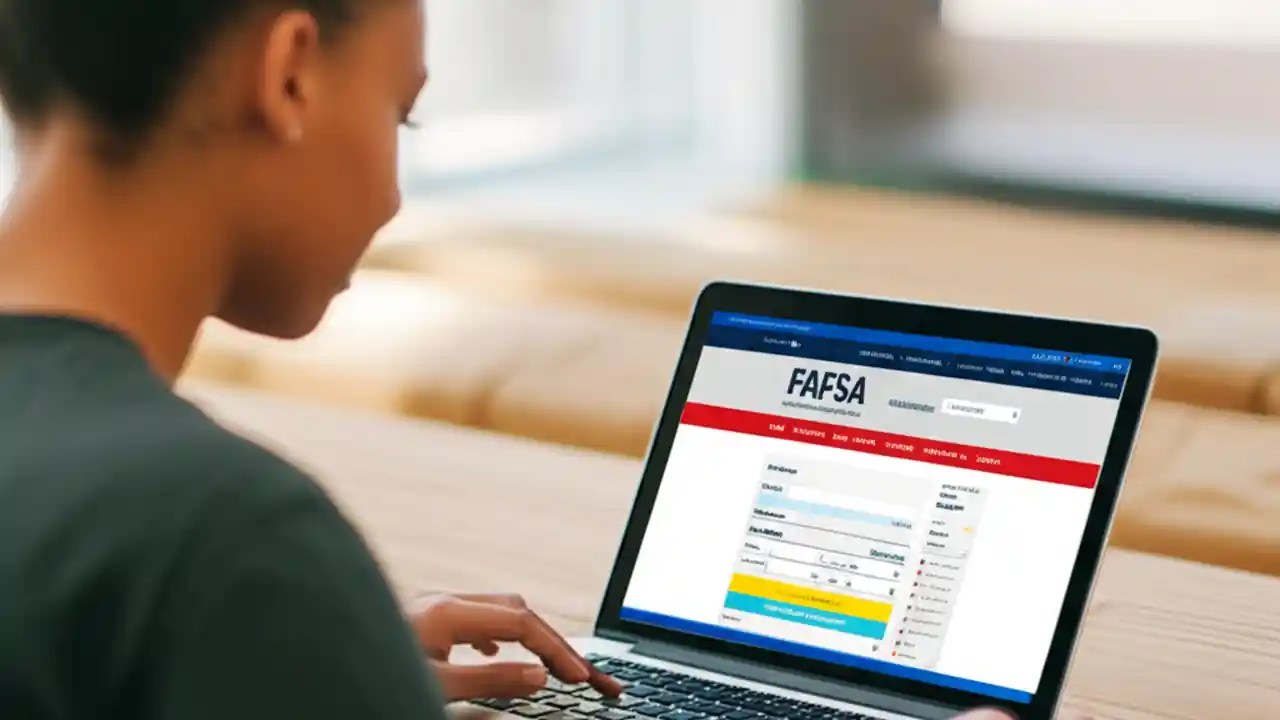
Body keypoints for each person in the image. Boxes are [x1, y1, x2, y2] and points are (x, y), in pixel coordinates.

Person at [0, 1, 1022, 718]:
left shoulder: (194, 568)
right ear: (290, 75)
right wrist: (273, 622)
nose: (396, 195)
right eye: (400, 112)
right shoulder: (222, 541)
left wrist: (309, 664)